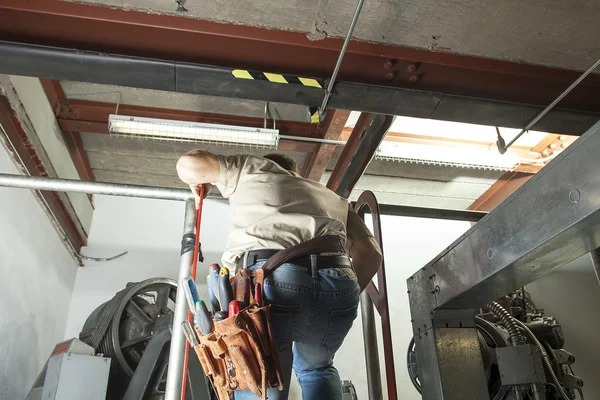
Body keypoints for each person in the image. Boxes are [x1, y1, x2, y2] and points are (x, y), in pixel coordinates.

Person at [176, 150, 382, 400]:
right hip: (339, 286)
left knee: (260, 371)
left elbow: (189, 163)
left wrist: (200, 182)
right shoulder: (333, 198)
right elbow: (371, 254)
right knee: (318, 369)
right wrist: (340, 294)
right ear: (295, 173)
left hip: (275, 285)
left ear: (269, 164)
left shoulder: (252, 169)